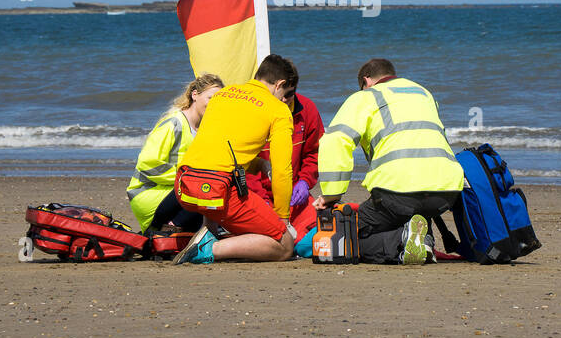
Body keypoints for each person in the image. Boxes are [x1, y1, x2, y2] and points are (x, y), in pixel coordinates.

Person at [315, 58, 465, 264]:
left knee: (347, 236)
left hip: (397, 194)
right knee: (411, 212)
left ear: (366, 81)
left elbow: (335, 140)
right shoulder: (424, 93)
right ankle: (423, 239)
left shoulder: (367, 96)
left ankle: (401, 242)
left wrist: (331, 194)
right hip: (446, 193)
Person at [172, 54, 300, 264]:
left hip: (184, 184)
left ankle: (208, 232)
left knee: (220, 178)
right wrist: (283, 219)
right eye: (288, 94)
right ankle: (209, 248)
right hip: (216, 190)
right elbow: (282, 171)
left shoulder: (223, 94)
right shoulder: (278, 110)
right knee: (284, 245)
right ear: (281, 84)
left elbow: (218, 147)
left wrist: (257, 163)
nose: (287, 101)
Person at [126, 73, 224, 233]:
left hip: (177, 192)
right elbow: (148, 165)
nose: (214, 104)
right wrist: (185, 177)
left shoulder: (204, 129)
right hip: (149, 193)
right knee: (202, 189)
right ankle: (165, 229)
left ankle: (174, 231)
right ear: (195, 95)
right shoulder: (174, 124)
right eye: (210, 98)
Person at [245, 89, 324, 222]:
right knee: (269, 237)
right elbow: (244, 164)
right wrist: (262, 201)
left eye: (288, 95)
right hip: (255, 194)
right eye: (281, 96)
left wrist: (305, 180)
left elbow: (314, 153)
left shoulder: (306, 108)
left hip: (292, 194)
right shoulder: (249, 111)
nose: (283, 100)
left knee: (314, 233)